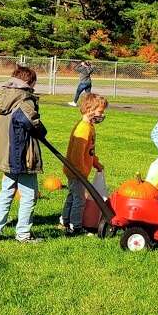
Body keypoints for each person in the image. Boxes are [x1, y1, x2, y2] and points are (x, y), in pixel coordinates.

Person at [0, 65, 46, 243]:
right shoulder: (23, 99)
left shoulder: (1, 98)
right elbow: (30, 121)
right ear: (29, 82)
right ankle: (23, 234)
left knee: (6, 191)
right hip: (21, 155)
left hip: (5, 153)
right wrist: (42, 131)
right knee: (28, 194)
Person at [62, 92, 108, 236]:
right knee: (80, 199)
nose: (102, 115)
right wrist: (80, 172)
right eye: (100, 111)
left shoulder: (90, 126)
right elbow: (77, 154)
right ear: (89, 110)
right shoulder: (83, 128)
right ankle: (75, 227)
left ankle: (65, 220)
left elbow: (89, 150)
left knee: (72, 196)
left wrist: (95, 162)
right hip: (76, 172)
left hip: (79, 171)